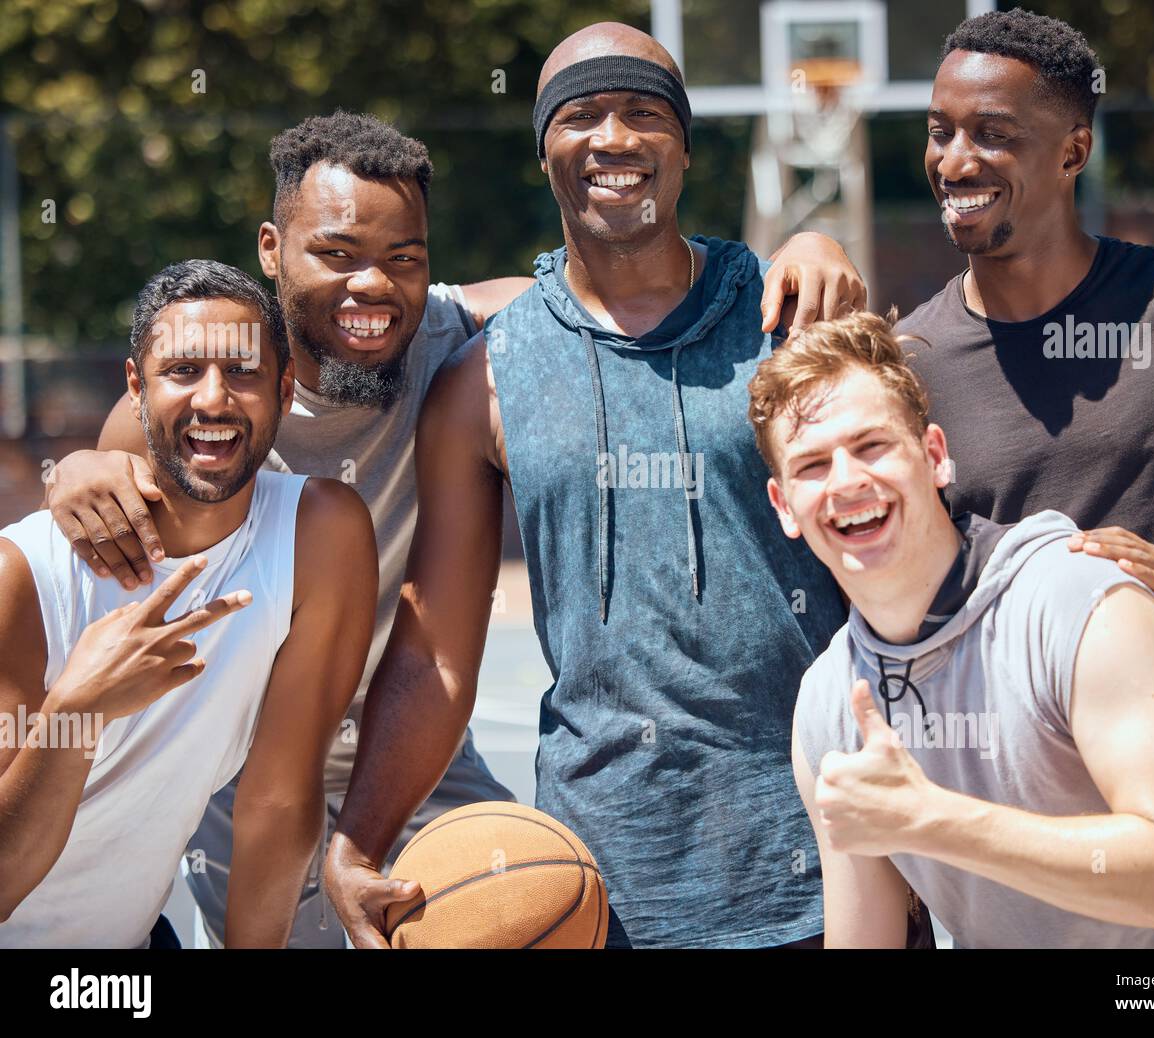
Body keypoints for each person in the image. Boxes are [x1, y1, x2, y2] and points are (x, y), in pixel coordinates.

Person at [43, 110, 864, 945]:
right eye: (336, 254)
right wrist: (77, 470)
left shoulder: (468, 337)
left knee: (535, 909)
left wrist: (800, 255)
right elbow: (103, 491)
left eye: (403, 259)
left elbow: (598, 298)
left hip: (414, 750)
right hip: (243, 770)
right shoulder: (208, 403)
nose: (372, 286)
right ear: (270, 249)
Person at [324, 22, 899, 950]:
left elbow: (906, 557)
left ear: (683, 144)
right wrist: (359, 837)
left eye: (644, 113)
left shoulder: (788, 322)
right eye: (583, 115)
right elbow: (437, 655)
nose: (615, 139)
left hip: (831, 867)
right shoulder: (483, 382)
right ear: (545, 149)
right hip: (604, 892)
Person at [748, 309, 1154, 948]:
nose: (846, 480)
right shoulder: (829, 705)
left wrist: (931, 820)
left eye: (871, 446)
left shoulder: (1080, 602)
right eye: (813, 465)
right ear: (785, 506)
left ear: (934, 458)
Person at [900, 8, 1154, 779]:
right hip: (1016, 800)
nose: (954, 161)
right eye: (939, 130)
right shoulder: (913, 361)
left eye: (992, 133)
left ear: (1073, 150)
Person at [0, 260, 376, 947]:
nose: (214, 399)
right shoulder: (22, 577)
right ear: (136, 388)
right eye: (182, 372)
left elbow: (277, 799)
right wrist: (78, 712)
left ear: (284, 390)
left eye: (242, 372)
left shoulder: (320, 535)